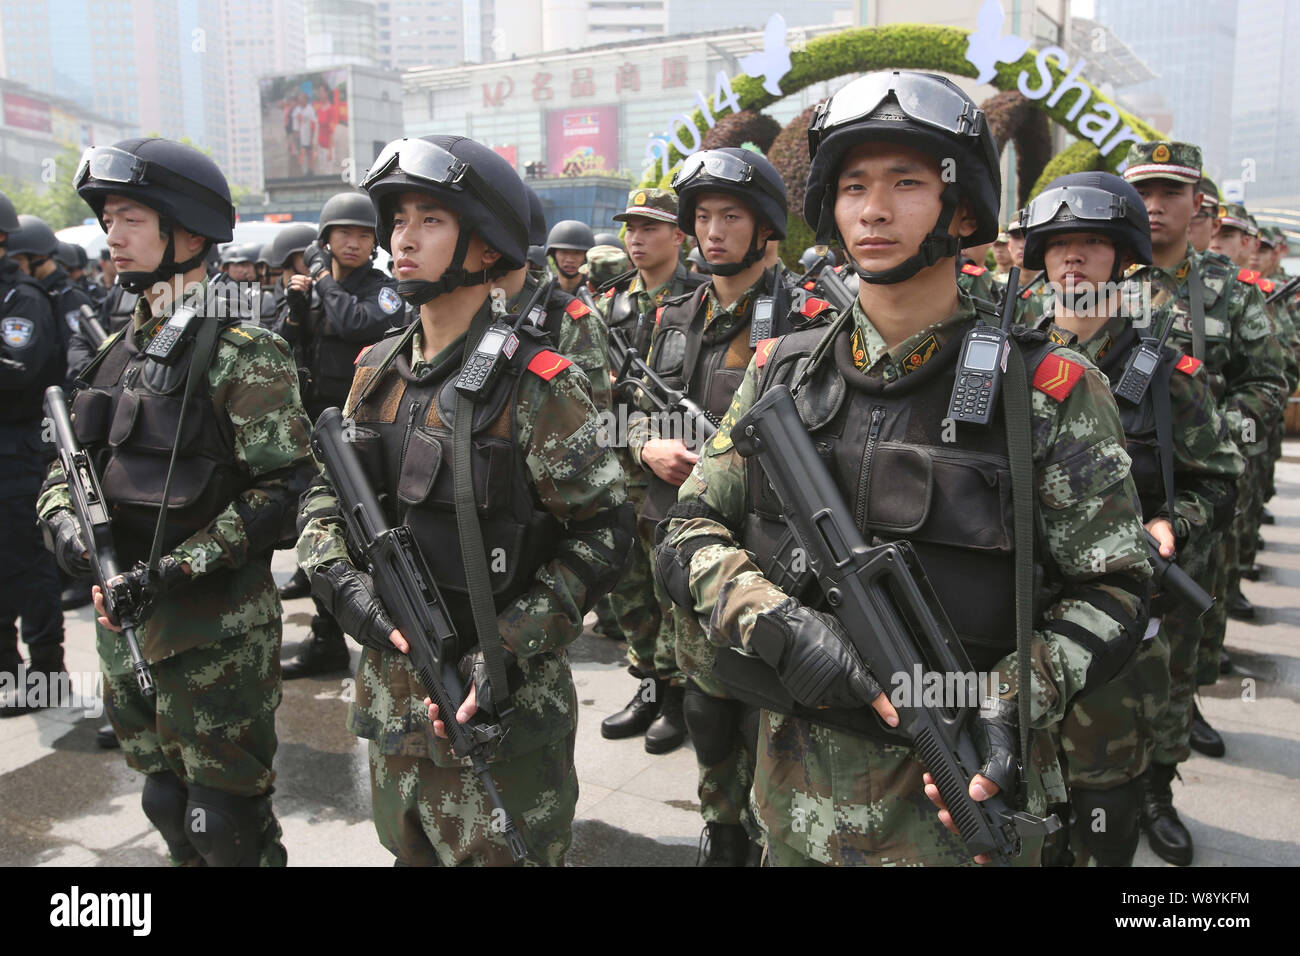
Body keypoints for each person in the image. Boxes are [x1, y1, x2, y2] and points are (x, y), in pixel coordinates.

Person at [656, 71, 1151, 867]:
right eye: (853, 186)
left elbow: (1119, 586)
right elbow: (687, 532)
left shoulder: (1050, 392)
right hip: (795, 806)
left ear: (962, 211)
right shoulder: (783, 369)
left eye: (905, 183)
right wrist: (777, 622)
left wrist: (1011, 694)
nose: (873, 210)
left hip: (961, 814)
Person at [296, 134, 632, 865]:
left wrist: (506, 647)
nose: (402, 238)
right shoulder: (373, 371)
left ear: (484, 247)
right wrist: (341, 582)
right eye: (398, 220)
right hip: (394, 709)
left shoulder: (539, 386)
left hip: (502, 719)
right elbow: (325, 498)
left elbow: (605, 534)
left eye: (431, 220)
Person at [36, 137, 317, 864]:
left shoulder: (245, 352)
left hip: (213, 636)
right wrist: (67, 528)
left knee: (225, 824)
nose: (111, 235)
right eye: (107, 219)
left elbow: (283, 493)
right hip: (125, 631)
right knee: (164, 798)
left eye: (130, 217)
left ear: (188, 232)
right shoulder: (114, 353)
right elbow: (66, 470)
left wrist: (174, 569)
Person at [1020, 172, 1242, 866]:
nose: (1072, 258)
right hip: (1022, 616)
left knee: (1106, 805)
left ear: (1121, 257)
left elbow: (1218, 479)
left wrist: (1176, 524)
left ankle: (1155, 795)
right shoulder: (1004, 356)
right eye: (1058, 245)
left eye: (1090, 243)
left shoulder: (1164, 369)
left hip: (1121, 621)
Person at [636, 146, 832, 860]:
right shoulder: (671, 317)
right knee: (708, 706)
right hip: (692, 546)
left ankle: (774, 829)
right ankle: (723, 828)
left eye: (732, 216)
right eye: (704, 217)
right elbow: (625, 408)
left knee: (778, 710)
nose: (713, 231)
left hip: (779, 555)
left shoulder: (810, 314)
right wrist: (644, 447)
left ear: (766, 226)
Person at [1120, 140, 1288, 863]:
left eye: (1170, 192)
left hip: (1190, 507)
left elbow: (1268, 386)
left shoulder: (1230, 291)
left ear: (1199, 207)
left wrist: (1213, 432)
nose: (1155, 205)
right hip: (1090, 504)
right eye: (1143, 192)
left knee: (1175, 655)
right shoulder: (1090, 278)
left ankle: (1157, 789)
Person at [267, 191, 400, 677]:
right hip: (313, 428)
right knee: (315, 530)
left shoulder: (383, 290)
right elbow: (284, 345)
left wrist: (322, 280)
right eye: (343, 233)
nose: (354, 242)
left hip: (363, 433)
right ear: (326, 238)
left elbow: (354, 322)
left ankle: (374, 633)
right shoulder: (319, 290)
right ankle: (326, 638)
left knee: (361, 534)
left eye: (364, 234)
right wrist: (298, 307)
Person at [596, 188, 708, 747]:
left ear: (679, 236)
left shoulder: (703, 298)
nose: (636, 239)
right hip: (621, 469)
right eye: (630, 228)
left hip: (678, 469)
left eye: (650, 228)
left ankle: (679, 697)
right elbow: (591, 398)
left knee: (674, 591)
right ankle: (646, 683)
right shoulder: (609, 302)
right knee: (628, 587)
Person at [0, 192, 67, 717]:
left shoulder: (21, 299)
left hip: (19, 452)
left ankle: (48, 671)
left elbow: (17, 368)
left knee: (30, 562)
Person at [545, 220, 598, 308]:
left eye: (577, 253)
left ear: (586, 257)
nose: (570, 260)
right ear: (554, 255)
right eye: (564, 252)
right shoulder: (543, 291)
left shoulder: (595, 292)